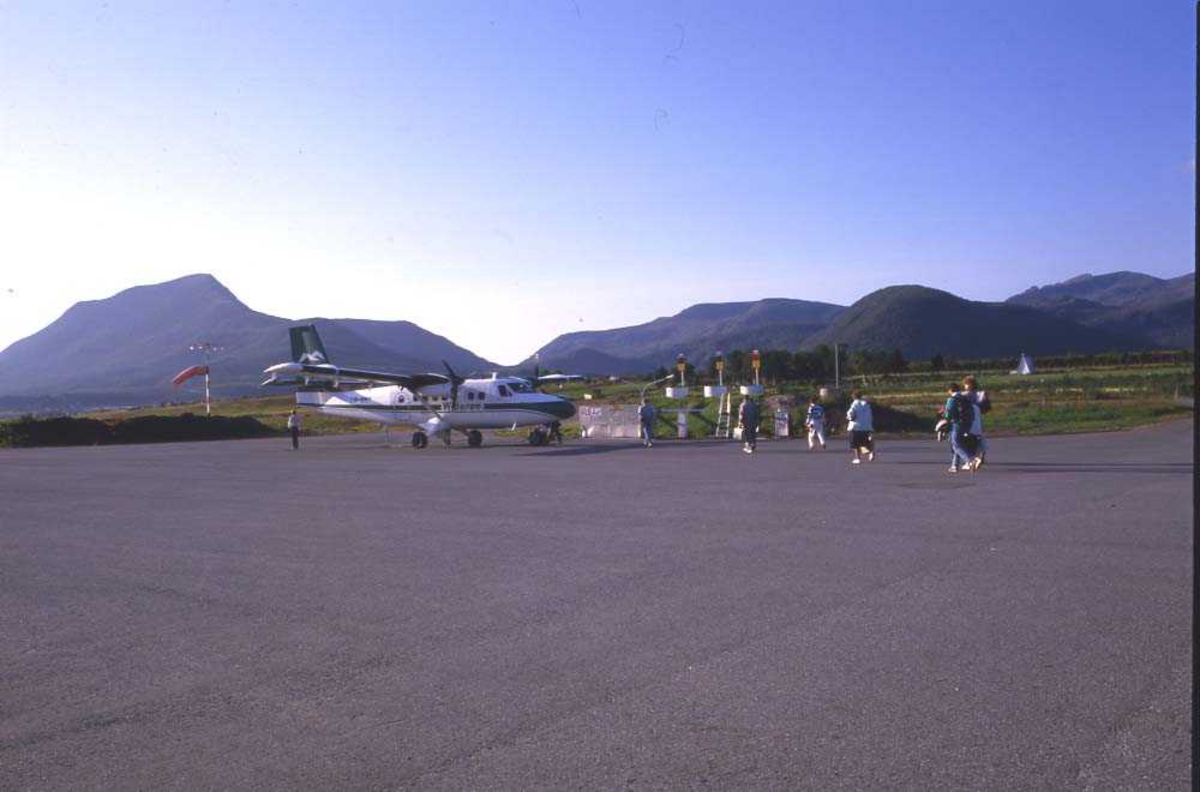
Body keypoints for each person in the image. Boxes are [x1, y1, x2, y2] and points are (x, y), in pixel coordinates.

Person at [943, 384, 977, 473]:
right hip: (968, 423)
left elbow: (948, 414)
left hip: (957, 424)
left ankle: (970, 460)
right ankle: (954, 465)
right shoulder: (965, 398)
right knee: (957, 443)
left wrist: (944, 417)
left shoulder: (952, 399)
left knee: (955, 443)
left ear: (950, 390)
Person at [961, 375, 990, 468]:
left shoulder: (965, 395)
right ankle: (981, 454)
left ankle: (971, 459)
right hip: (979, 419)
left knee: (966, 440)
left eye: (966, 384)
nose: (965, 386)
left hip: (969, 420)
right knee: (980, 436)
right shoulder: (980, 394)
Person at [845, 390, 875, 464]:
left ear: (853, 397)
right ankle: (870, 451)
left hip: (856, 427)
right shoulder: (867, 404)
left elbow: (850, 413)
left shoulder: (854, 404)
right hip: (867, 427)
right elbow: (870, 416)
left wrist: (849, 418)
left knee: (855, 444)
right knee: (865, 441)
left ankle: (857, 458)